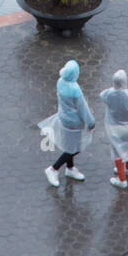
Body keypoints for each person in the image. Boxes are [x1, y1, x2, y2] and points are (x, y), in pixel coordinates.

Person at [39, 59, 95, 187]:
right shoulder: (75, 89)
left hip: (63, 119)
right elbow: (83, 108)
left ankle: (70, 168)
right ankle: (53, 169)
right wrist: (91, 122)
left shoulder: (60, 82)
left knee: (70, 145)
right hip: (74, 123)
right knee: (74, 148)